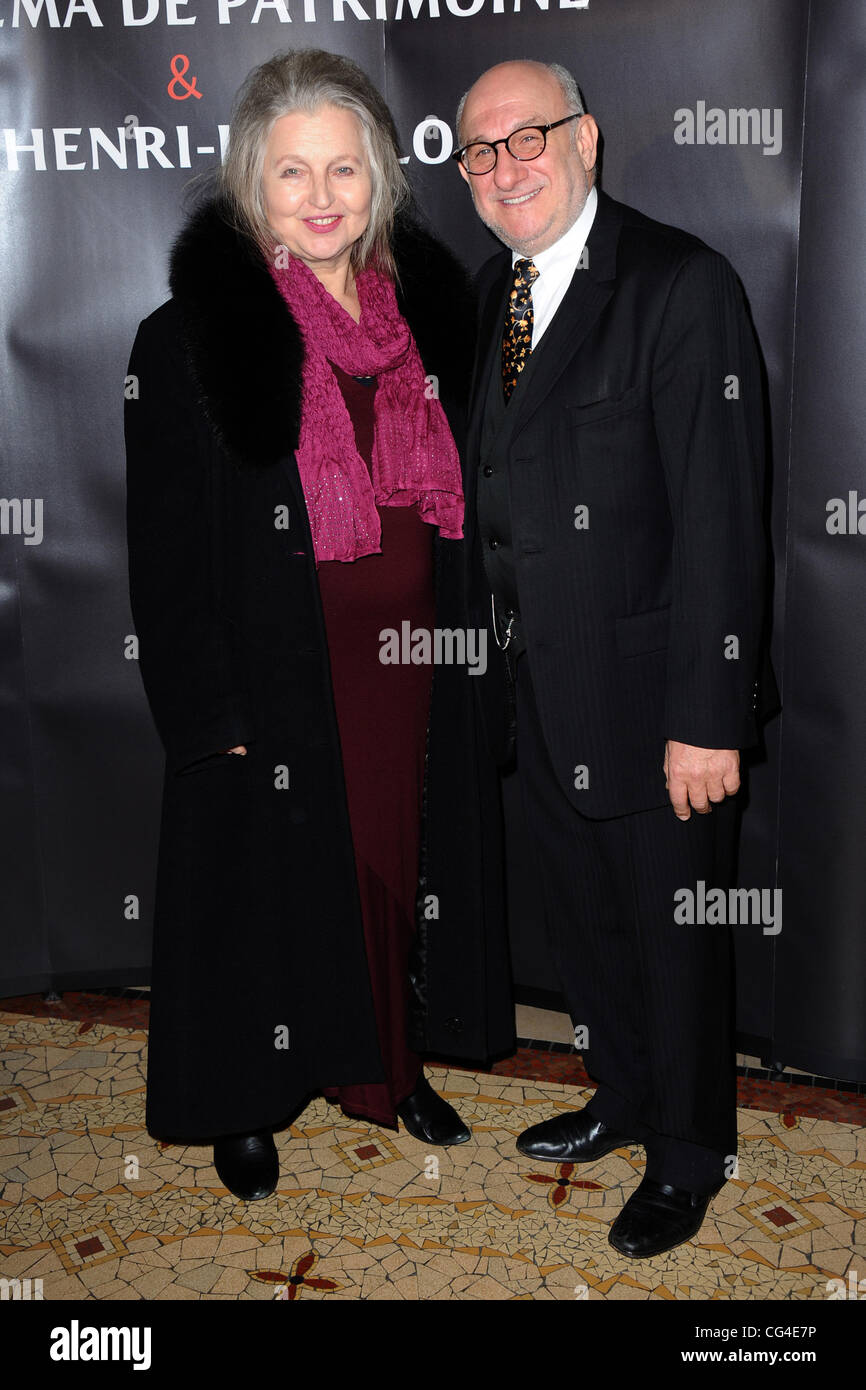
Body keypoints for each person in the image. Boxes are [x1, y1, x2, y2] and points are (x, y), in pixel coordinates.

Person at [124, 48, 513, 1203]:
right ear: (251, 181)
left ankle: (385, 1071)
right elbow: (164, 560)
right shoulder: (192, 339)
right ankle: (246, 1100)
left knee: (391, 873)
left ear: (383, 177)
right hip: (280, 673)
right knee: (260, 891)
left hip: (410, 669)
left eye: (344, 167)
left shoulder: (431, 317)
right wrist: (210, 717)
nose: (322, 194)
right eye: (291, 171)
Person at [454, 59, 779, 1257]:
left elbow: (720, 515)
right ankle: (624, 1098)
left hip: (658, 706)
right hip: (537, 693)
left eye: (526, 137)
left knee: (675, 938)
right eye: (478, 152)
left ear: (586, 140)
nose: (503, 167)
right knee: (591, 931)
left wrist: (708, 711)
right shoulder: (494, 290)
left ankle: (691, 1152)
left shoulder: (679, 283)